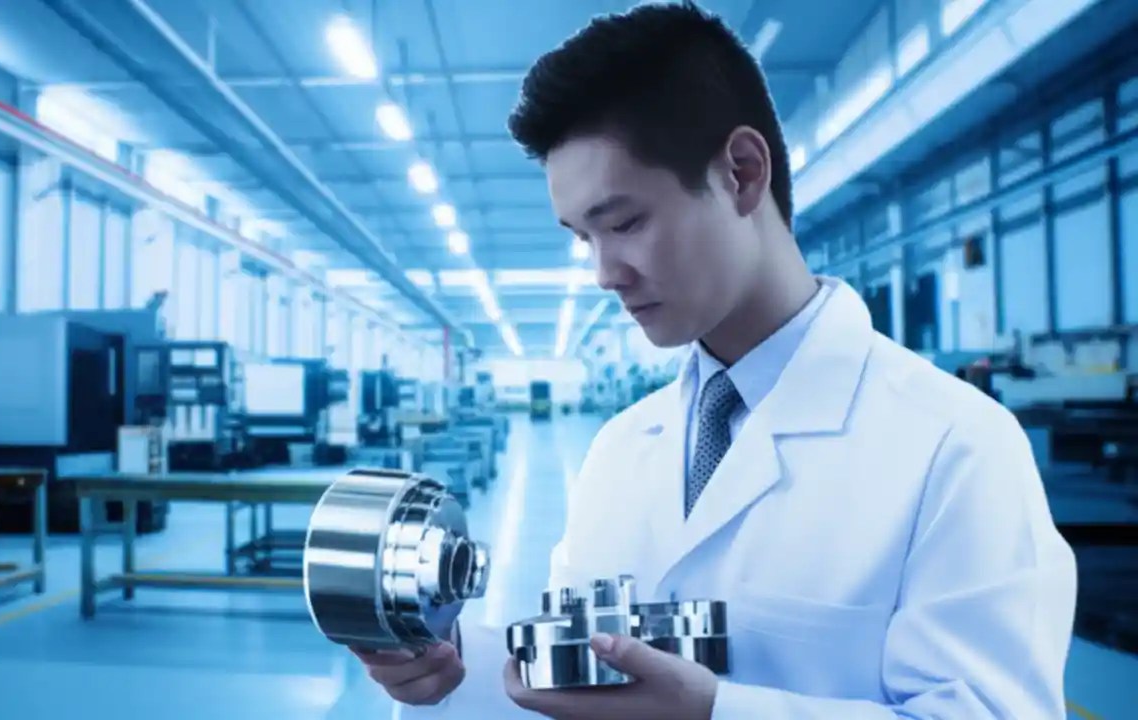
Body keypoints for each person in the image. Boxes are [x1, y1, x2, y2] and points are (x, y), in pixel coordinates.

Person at [353, 2, 1078, 718]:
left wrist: (716, 712)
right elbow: (585, 685)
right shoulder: (620, 450)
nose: (604, 273)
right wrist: (454, 674)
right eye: (583, 238)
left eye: (626, 222)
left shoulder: (956, 449)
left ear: (741, 171)